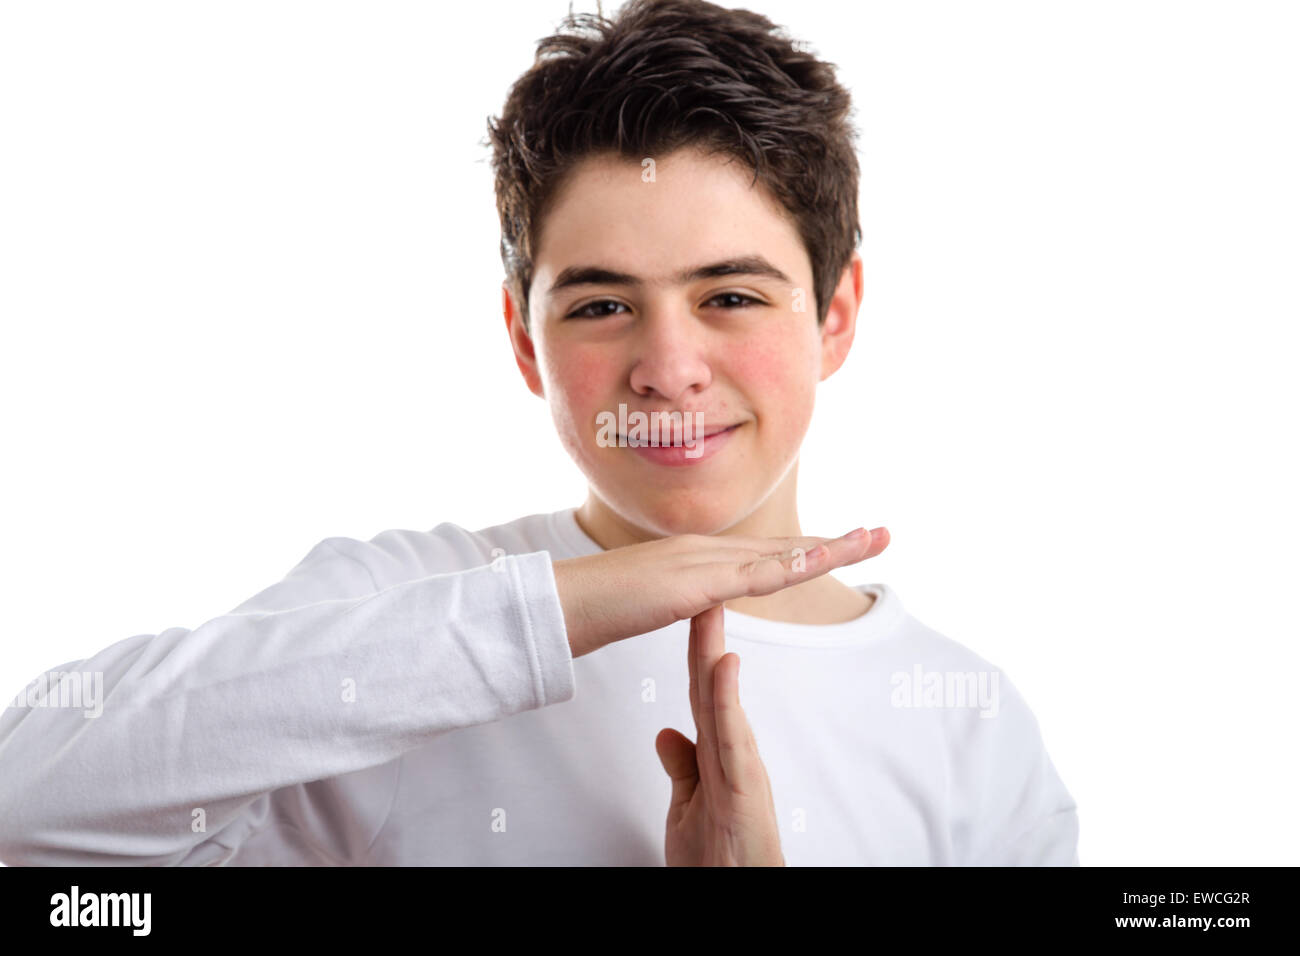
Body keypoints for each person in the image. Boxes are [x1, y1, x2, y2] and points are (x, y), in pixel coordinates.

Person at [0, 0, 1079, 866]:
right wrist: (559, 608)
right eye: (602, 305)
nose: (665, 368)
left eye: (732, 297)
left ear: (833, 314)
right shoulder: (398, 607)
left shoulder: (970, 729)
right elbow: (26, 805)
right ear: (525, 344)